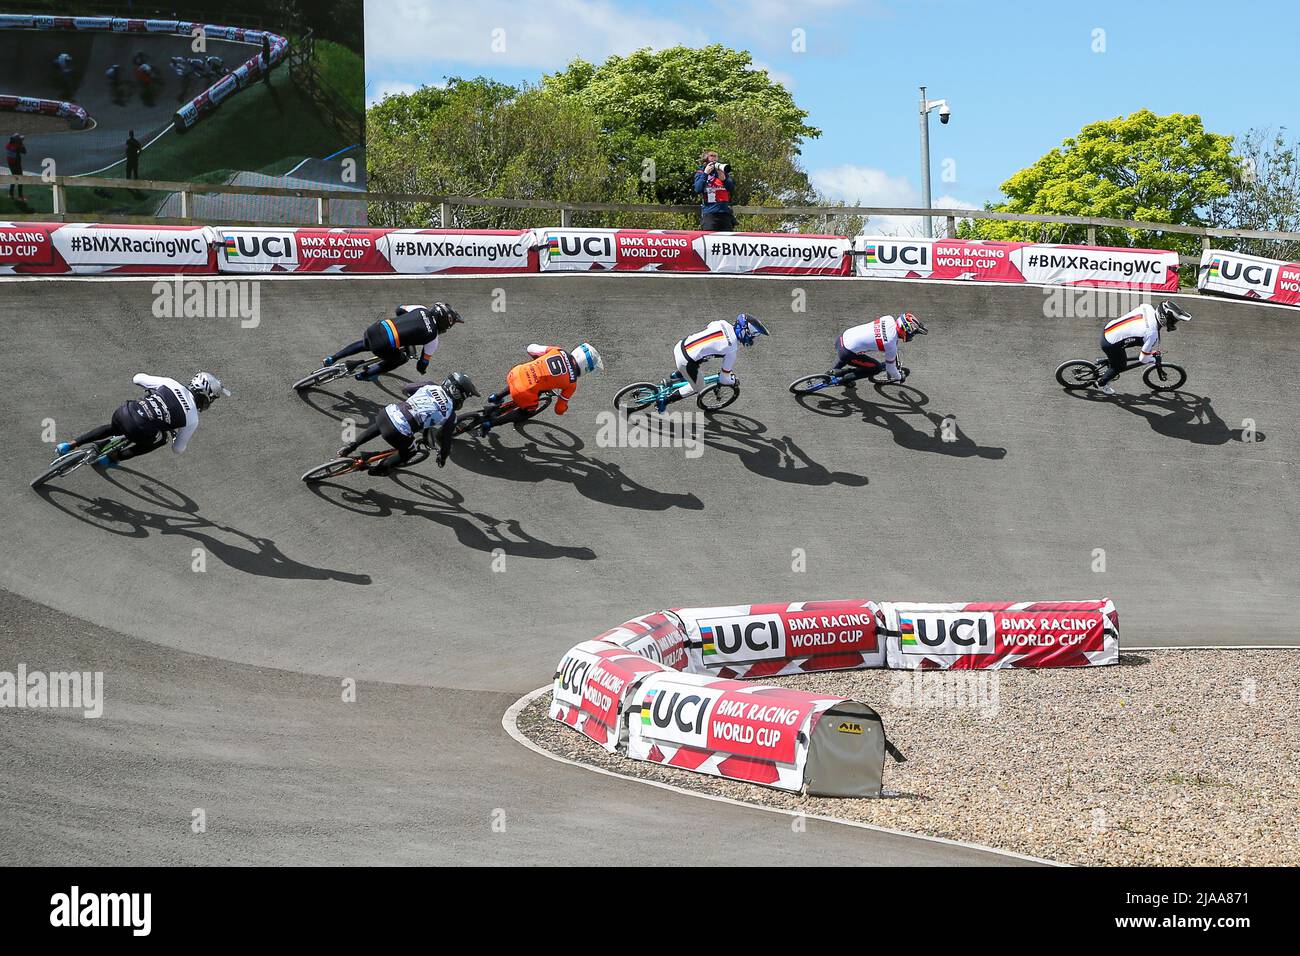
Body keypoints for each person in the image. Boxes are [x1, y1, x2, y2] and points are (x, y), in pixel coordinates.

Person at [55, 372, 230, 467]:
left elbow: (137, 378)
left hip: (124, 412)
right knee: (158, 440)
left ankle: (70, 444)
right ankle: (113, 457)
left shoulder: (171, 383)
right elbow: (177, 449)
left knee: (112, 427)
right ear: (206, 396)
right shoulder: (192, 418)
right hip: (139, 431)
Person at [336, 372, 477, 472]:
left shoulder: (430, 385)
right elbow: (446, 441)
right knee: (410, 452)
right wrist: (443, 457)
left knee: (380, 425)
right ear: (458, 394)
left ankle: (350, 446)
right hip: (396, 432)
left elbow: (406, 388)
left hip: (385, 414)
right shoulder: (450, 414)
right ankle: (379, 470)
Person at [481, 343, 603, 433]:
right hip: (523, 392)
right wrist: (564, 408)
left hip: (514, 373)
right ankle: (490, 424)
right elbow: (559, 410)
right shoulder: (572, 383)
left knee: (524, 376)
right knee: (527, 411)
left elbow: (531, 348)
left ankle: (496, 396)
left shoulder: (558, 350)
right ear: (586, 367)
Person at [324, 303, 463, 380]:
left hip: (376, 328)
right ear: (444, 323)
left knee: (365, 344)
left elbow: (399, 309)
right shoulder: (433, 339)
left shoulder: (421, 308)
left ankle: (332, 358)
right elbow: (422, 363)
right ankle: (365, 375)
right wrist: (422, 371)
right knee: (400, 359)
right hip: (383, 345)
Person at [660, 314, 768, 412]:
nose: (752, 339)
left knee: (702, 356)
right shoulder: (732, 350)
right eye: (752, 335)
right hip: (685, 361)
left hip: (681, 345)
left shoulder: (723, 323)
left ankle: (676, 376)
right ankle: (664, 401)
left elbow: (709, 327)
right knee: (698, 387)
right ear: (745, 331)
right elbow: (723, 379)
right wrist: (733, 381)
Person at [1095, 300, 1192, 394]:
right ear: (1164, 318)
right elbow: (1143, 359)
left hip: (1109, 329)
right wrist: (1153, 360)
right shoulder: (1152, 334)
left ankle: (1110, 361)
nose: (1174, 324)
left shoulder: (1147, 307)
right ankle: (1101, 383)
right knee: (1119, 366)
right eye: (1174, 321)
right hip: (1110, 344)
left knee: (1119, 356)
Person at [834, 312, 927, 383]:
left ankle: (833, 371)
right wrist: (899, 377)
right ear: (905, 331)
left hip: (842, 338)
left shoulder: (888, 319)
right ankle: (844, 379)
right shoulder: (891, 346)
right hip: (846, 352)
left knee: (855, 351)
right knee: (876, 368)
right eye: (912, 334)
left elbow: (884, 334)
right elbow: (891, 369)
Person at [694, 150, 736, 232]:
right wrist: (705, 173)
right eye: (712, 155)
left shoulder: (722, 172)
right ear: (706, 159)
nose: (714, 158)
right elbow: (697, 189)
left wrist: (724, 179)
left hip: (725, 213)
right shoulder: (701, 173)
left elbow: (731, 189)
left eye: (716, 156)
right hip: (710, 214)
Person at [6, 133, 25, 201]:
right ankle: (20, 196)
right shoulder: (17, 147)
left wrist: (19, 143)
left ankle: (10, 194)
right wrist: (21, 144)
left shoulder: (9, 145)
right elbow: (24, 151)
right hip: (16, 165)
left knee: (14, 178)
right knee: (20, 178)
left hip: (11, 164)